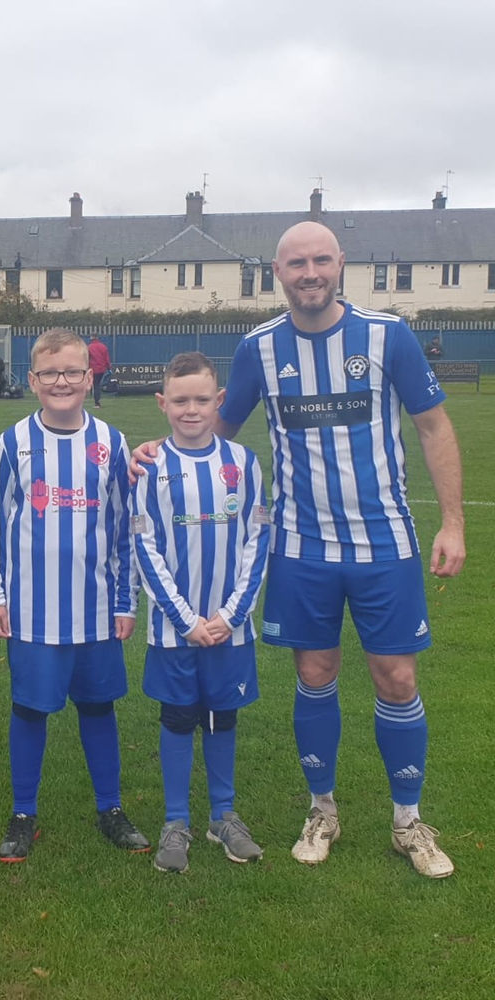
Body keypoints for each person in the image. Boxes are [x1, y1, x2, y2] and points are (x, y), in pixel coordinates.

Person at [132, 221, 466, 878]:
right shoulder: (259, 347)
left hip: (385, 544)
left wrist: (451, 522)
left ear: (341, 263)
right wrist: (155, 450)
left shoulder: (386, 335)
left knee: (396, 677)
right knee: (315, 674)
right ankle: (323, 809)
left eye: (320, 260)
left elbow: (433, 425)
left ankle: (408, 820)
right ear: (277, 272)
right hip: (302, 545)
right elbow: (213, 433)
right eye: (295, 264)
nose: (309, 273)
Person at [0, 327, 148, 863]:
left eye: (72, 372)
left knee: (98, 708)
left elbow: (125, 527)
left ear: (89, 376)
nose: (61, 381)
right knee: (30, 709)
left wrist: (126, 600)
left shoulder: (111, 443)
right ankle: (24, 813)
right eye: (50, 373)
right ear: (32, 380)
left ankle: (111, 809)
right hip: (31, 612)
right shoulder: (12, 443)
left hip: (96, 610)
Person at [132, 352, 269, 873]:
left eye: (202, 400)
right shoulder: (149, 467)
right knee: (178, 716)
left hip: (229, 629)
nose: (192, 410)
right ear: (163, 403)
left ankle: (224, 816)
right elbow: (145, 549)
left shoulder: (243, 463)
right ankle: (174, 820)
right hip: (175, 631)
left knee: (222, 717)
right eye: (181, 400)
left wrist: (230, 615)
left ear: (220, 401)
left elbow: (258, 541)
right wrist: (186, 619)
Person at [88, 333, 110, 408]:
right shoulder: (103, 347)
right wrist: (109, 368)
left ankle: (97, 403)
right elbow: (107, 359)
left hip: (93, 369)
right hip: (102, 369)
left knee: (95, 385)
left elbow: (87, 358)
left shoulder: (89, 347)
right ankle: (97, 401)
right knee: (97, 385)